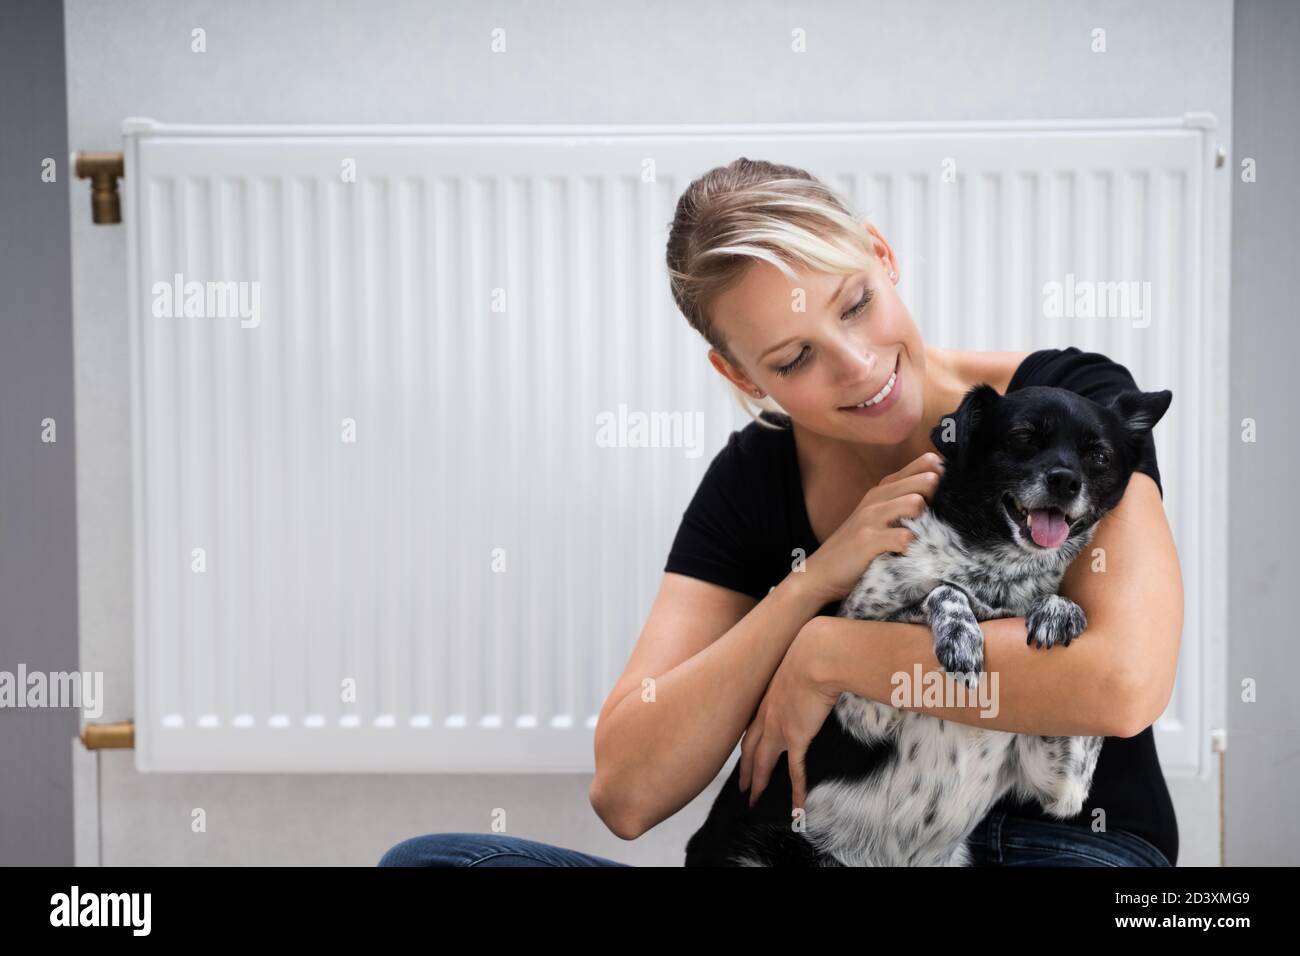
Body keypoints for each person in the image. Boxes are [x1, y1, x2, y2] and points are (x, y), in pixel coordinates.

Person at [379, 157, 1181, 868]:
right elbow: (627, 792)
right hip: (811, 850)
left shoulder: (1076, 406)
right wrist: (804, 592)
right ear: (740, 373)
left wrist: (827, 654)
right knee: (432, 863)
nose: (859, 366)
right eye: (794, 358)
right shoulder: (755, 477)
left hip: (1058, 843)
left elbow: (1121, 683)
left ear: (882, 254)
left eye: (856, 303)